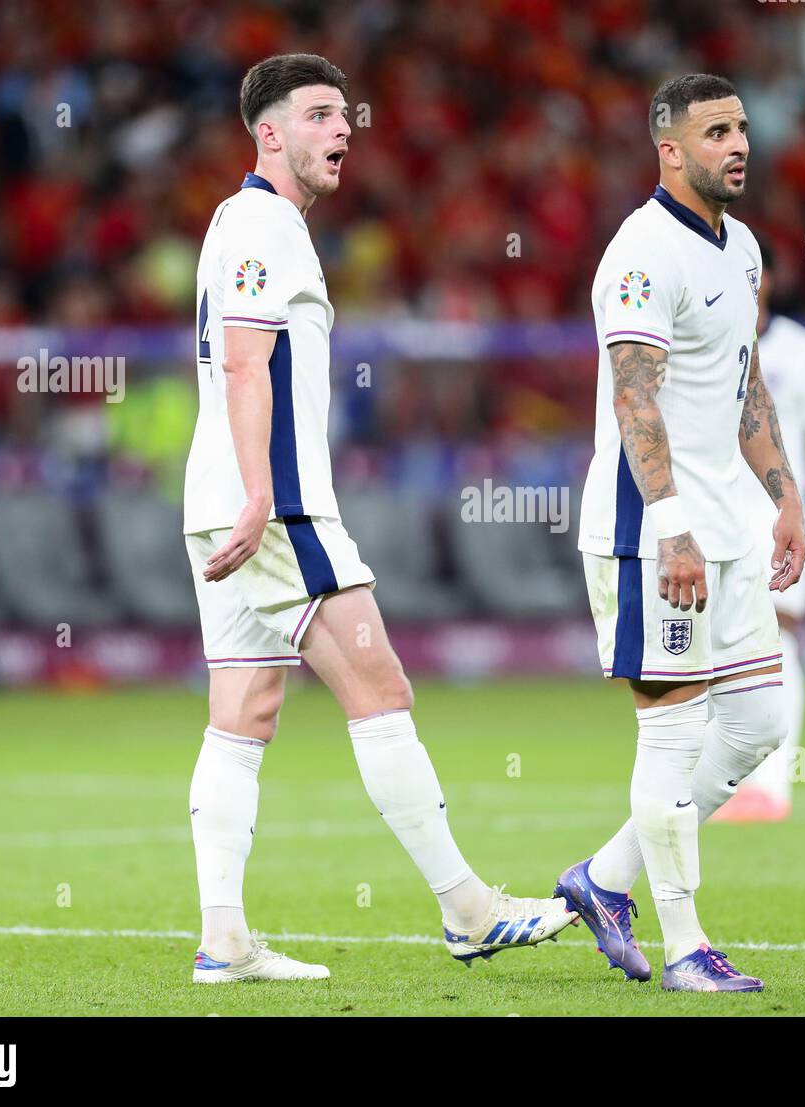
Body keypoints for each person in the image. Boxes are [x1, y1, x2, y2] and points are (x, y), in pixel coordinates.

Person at [182, 53, 575, 984]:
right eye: (320, 115)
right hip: (276, 507)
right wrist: (260, 494)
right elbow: (244, 364)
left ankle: (225, 940)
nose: (343, 129)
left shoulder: (244, 223)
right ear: (268, 132)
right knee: (382, 688)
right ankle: (470, 910)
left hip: (229, 506)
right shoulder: (263, 222)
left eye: (345, 115)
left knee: (243, 714)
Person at [554, 74, 805, 993]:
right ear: (670, 148)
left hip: (733, 527)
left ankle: (603, 879)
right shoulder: (640, 252)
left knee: (755, 725)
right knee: (671, 733)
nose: (738, 144)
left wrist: (783, 495)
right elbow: (634, 393)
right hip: (650, 531)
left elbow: (745, 386)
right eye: (715, 132)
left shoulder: (740, 249)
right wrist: (669, 527)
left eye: (741, 127)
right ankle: (687, 947)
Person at [713, 243, 805, 823]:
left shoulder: (804, 352)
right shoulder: (702, 342)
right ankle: (723, 783)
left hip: (779, 521)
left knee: (778, 639)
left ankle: (772, 787)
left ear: (769, 277)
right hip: (711, 522)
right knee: (716, 653)